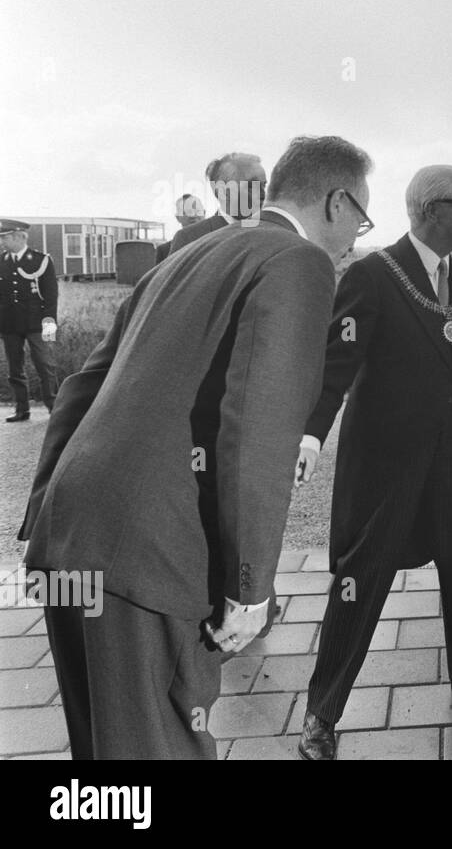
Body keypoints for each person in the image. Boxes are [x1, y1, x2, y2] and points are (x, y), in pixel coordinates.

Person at [18, 134, 370, 758]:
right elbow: (257, 425)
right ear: (337, 202)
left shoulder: (188, 254)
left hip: (72, 539)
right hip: (151, 559)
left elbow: (80, 387)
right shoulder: (298, 262)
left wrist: (47, 511)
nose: (354, 242)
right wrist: (250, 586)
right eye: (361, 219)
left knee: (102, 756)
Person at [295, 165, 452, 760]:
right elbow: (335, 364)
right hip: (388, 463)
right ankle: (322, 712)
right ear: (428, 210)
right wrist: (311, 436)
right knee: (359, 584)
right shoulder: (373, 274)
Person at [1, 220, 59, 423]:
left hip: (37, 324)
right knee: (15, 369)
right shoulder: (2, 261)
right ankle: (22, 410)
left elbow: (51, 298)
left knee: (46, 366)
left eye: (4, 237)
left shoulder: (40, 260)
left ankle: (55, 408)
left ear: (19, 236)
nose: (2, 241)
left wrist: (49, 330)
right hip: (9, 325)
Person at [165, 152, 265, 256]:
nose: (263, 194)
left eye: (263, 185)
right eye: (251, 186)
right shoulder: (189, 238)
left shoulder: (270, 235)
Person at [155, 194, 205, 265]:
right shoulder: (164, 251)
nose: (192, 215)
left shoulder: (219, 242)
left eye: (197, 211)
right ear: (178, 218)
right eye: (186, 212)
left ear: (204, 213)